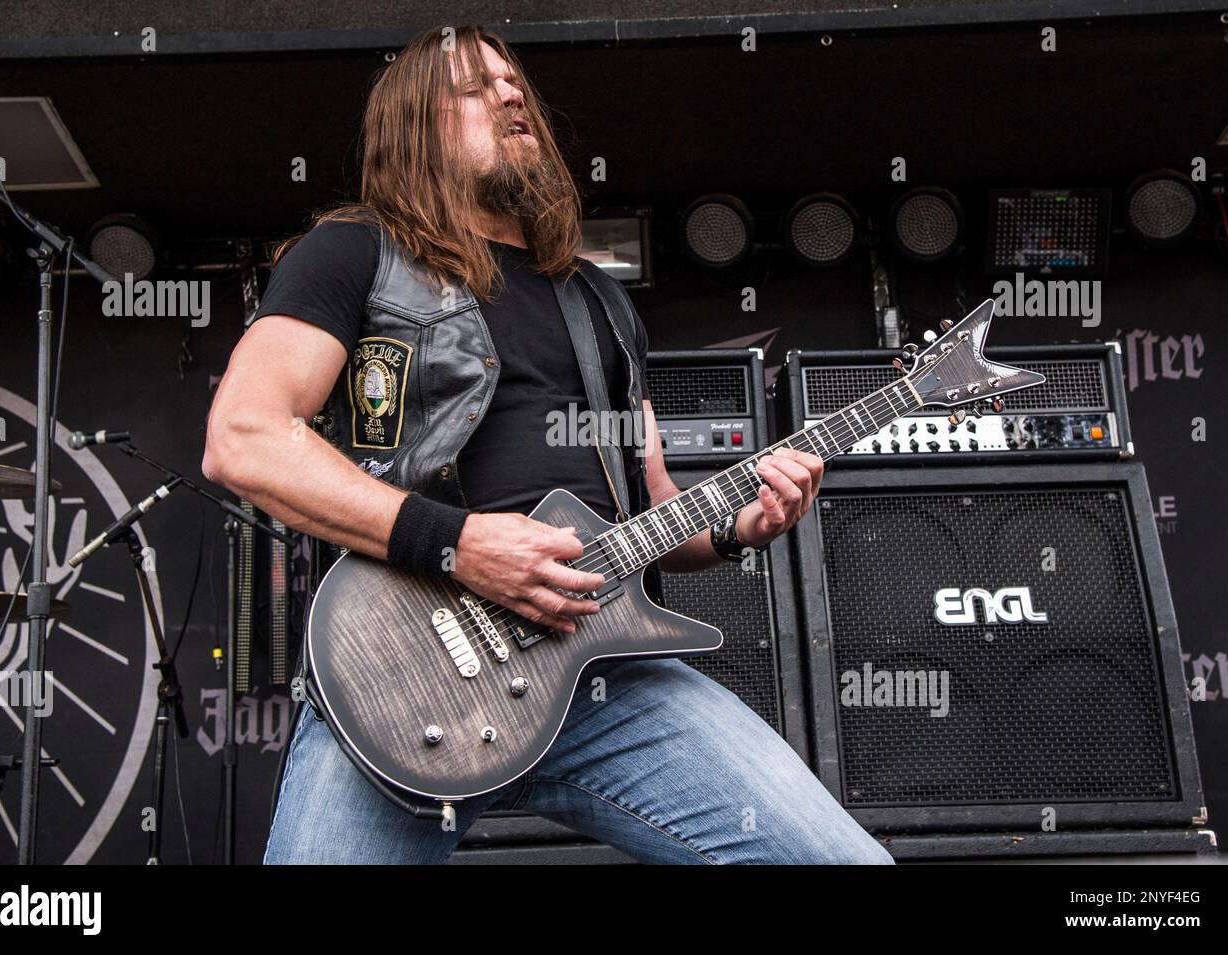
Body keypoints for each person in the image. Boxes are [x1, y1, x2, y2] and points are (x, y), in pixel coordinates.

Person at [202, 24, 892, 865]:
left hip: (602, 680)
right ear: (414, 125)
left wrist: (735, 528)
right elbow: (243, 438)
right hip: (404, 676)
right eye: (476, 87)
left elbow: (652, 508)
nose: (511, 94)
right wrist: (457, 543)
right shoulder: (353, 253)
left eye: (514, 82)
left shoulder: (597, 298)